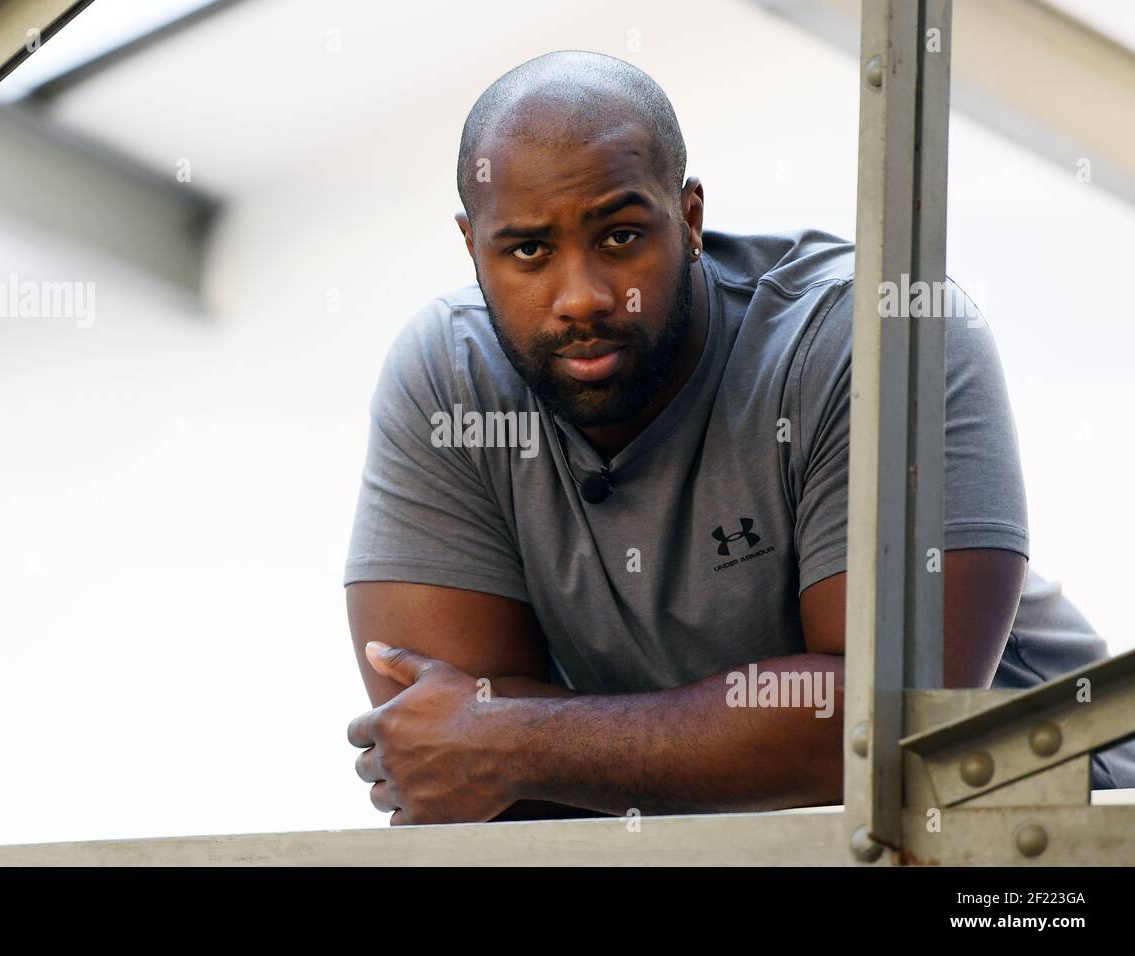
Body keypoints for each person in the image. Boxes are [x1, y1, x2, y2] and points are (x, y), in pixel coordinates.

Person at [343, 50, 1134, 825]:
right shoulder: (449, 377)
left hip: (1064, 823)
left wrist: (515, 741)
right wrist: (514, 753)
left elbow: (889, 725)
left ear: (688, 218)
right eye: (527, 250)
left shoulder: (873, 332)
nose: (580, 296)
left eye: (619, 236)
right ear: (471, 249)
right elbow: (445, 765)